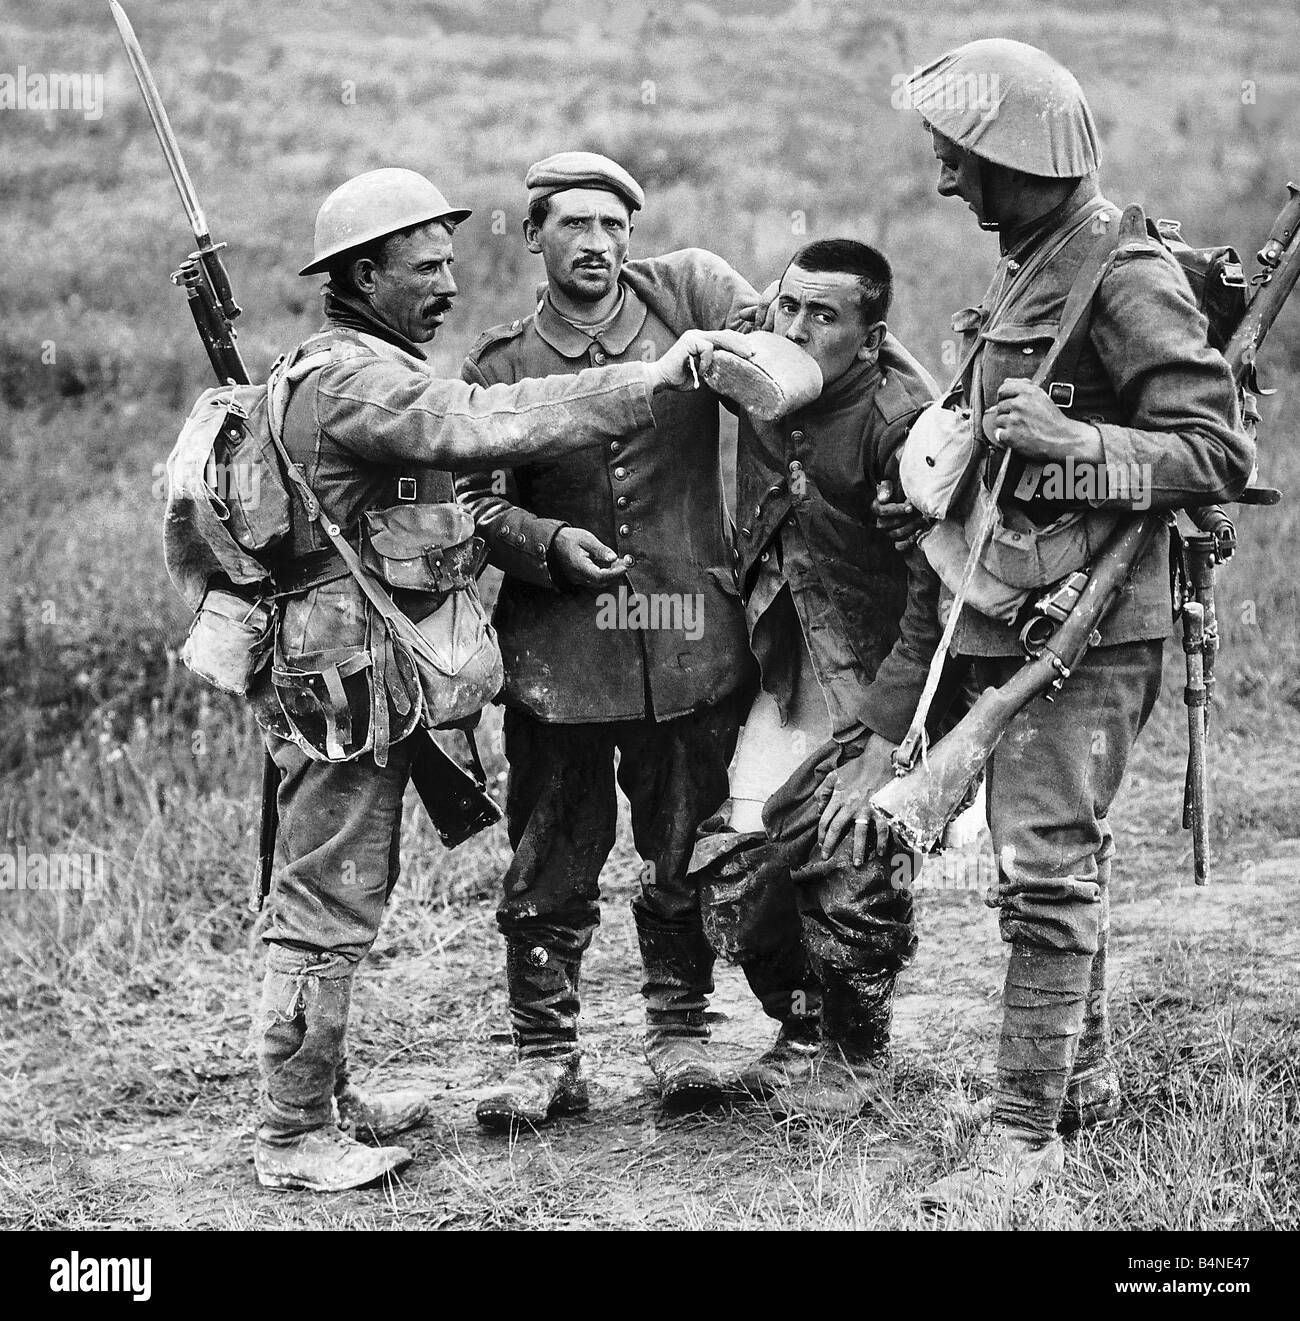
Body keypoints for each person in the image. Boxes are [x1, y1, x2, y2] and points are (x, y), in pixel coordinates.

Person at [245, 166, 744, 1191]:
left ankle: (326, 1099)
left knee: (349, 887)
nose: (443, 283)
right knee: (327, 900)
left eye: (447, 261)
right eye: (423, 267)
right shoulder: (358, 382)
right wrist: (645, 382)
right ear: (362, 272)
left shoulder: (353, 362)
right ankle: (294, 1134)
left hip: (359, 675)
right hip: (341, 684)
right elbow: (487, 426)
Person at [896, 40, 1255, 1211]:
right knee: (1046, 861)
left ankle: (1021, 1138)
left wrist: (1077, 444)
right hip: (1018, 606)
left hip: (1096, 626)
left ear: (1022, 157)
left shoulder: (1119, 267)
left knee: (1042, 868)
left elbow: (1215, 453)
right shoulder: (1031, 261)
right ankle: (1079, 1083)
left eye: (964, 157)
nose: (949, 179)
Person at [456, 152, 761, 1125]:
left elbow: (778, 370)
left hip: (686, 643)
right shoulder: (501, 365)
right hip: (561, 657)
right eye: (574, 226)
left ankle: (680, 1034)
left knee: (685, 851)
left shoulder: (689, 320)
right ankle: (547, 1055)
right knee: (549, 859)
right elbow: (471, 502)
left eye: (613, 227)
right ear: (533, 234)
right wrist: (541, 541)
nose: (595, 244)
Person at [687, 239, 950, 1118]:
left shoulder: (900, 426)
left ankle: (856, 1050)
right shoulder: (759, 356)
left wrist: (886, 730)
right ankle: (799, 1028)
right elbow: (679, 277)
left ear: (870, 339)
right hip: (778, 659)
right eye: (788, 306)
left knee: (849, 860)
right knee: (736, 869)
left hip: (872, 680)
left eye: (823, 315)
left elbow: (935, 598)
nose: (796, 328)